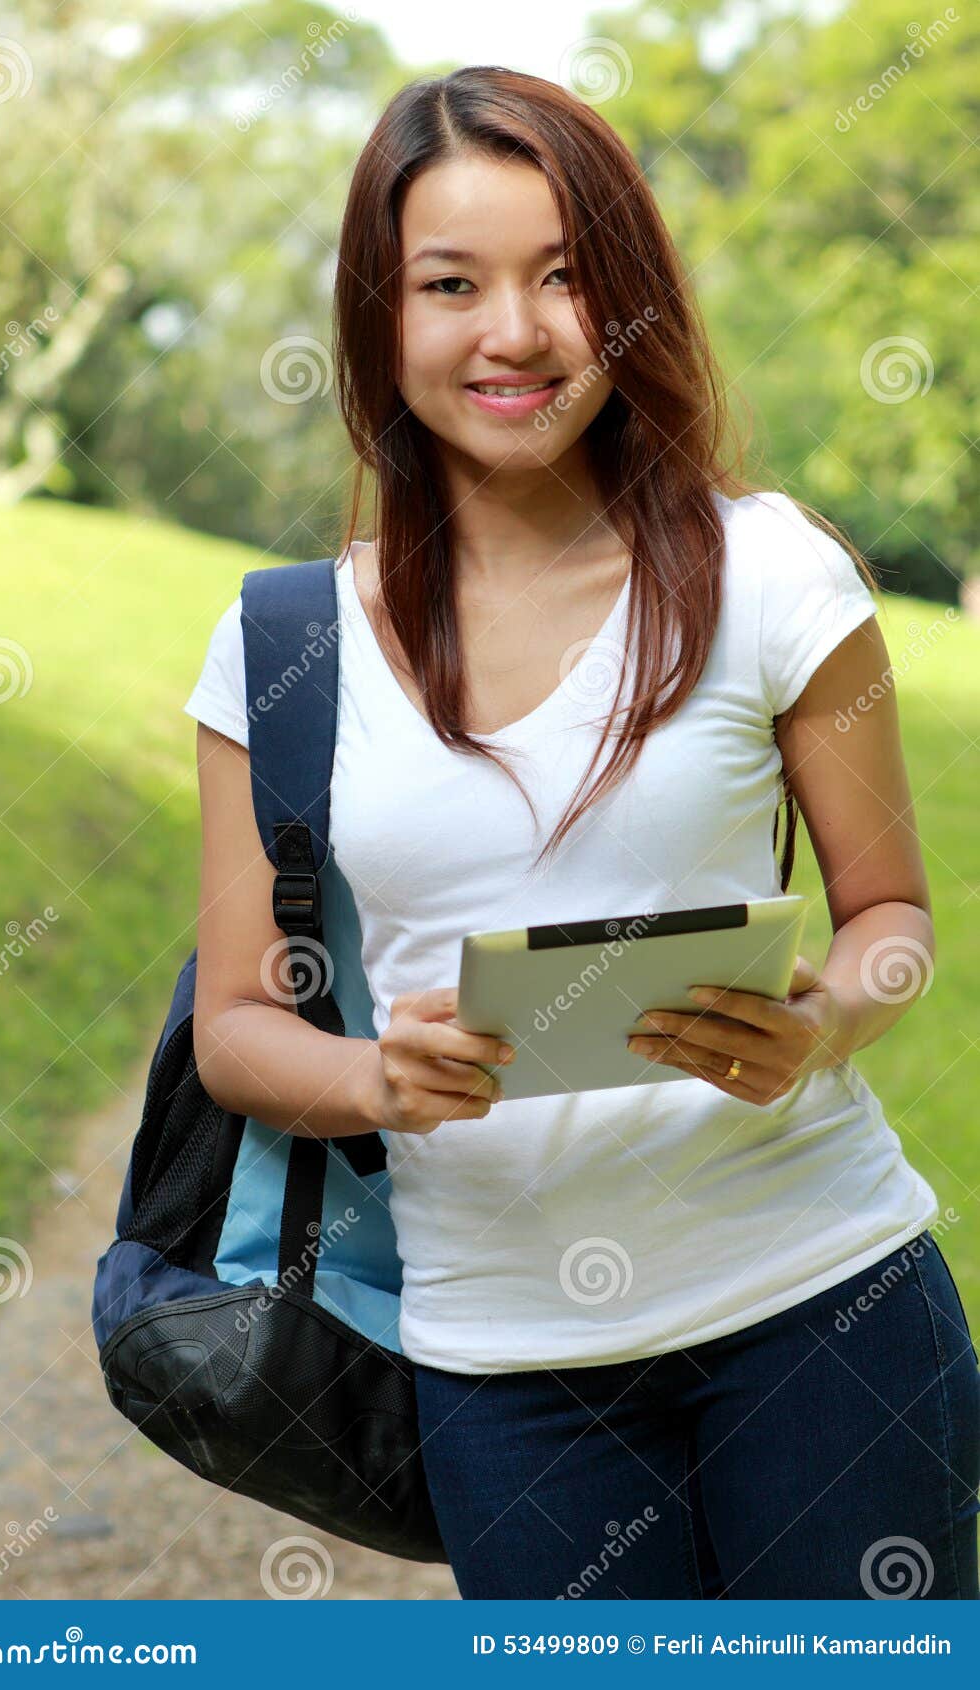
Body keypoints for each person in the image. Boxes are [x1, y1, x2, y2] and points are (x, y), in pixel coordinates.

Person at [182, 67, 979, 1599]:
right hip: (510, 1373)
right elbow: (232, 1027)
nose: (517, 332)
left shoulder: (778, 576)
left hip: (826, 1306)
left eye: (566, 276)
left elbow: (894, 920)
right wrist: (372, 1076)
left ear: (629, 301)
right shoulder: (287, 641)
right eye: (451, 283)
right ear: (380, 317)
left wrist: (824, 1021)